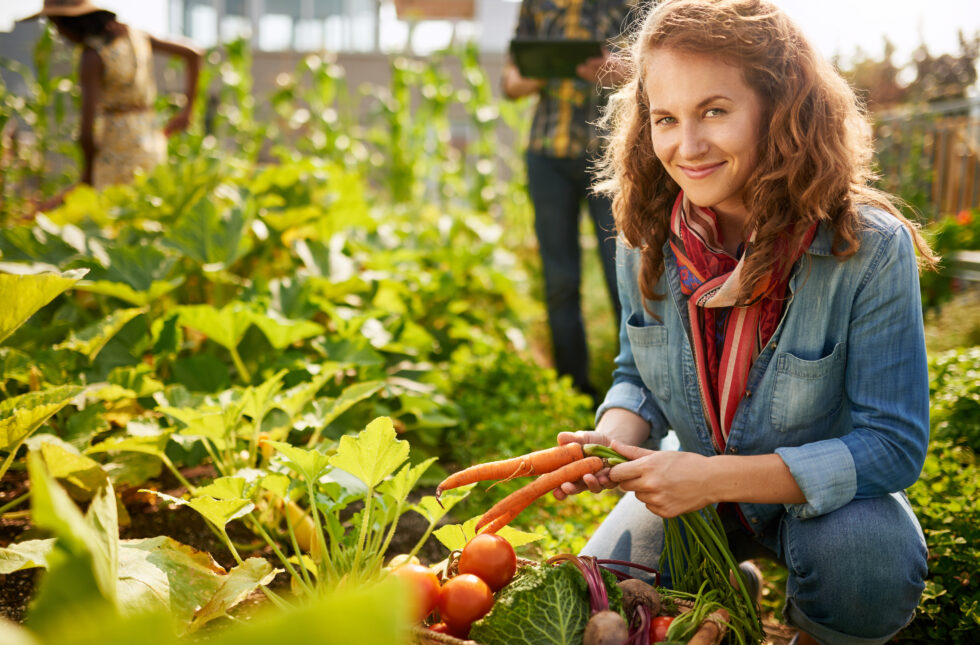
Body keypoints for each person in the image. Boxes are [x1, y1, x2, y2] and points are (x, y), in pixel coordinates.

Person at [551, 1, 936, 643]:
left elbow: (892, 446)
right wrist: (610, 435)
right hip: (689, 485)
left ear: (780, 109)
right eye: (666, 118)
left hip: (827, 505)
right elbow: (635, 372)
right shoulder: (642, 237)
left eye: (715, 111)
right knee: (604, 597)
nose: (687, 146)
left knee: (869, 567)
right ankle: (730, 593)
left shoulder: (868, 248)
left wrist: (711, 479)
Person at [501, 0, 635, 405]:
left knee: (623, 278)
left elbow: (659, 70)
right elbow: (509, 83)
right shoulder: (537, 4)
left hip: (612, 156)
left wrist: (617, 72)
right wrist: (543, 69)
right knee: (559, 281)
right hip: (547, 155)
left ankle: (630, 387)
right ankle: (574, 388)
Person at [24, 0, 202, 201]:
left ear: (70, 23)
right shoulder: (137, 37)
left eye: (57, 26)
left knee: (110, 217)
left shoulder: (93, 55)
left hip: (116, 149)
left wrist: (88, 173)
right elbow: (194, 54)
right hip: (151, 141)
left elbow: (86, 132)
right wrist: (188, 111)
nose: (59, 34)